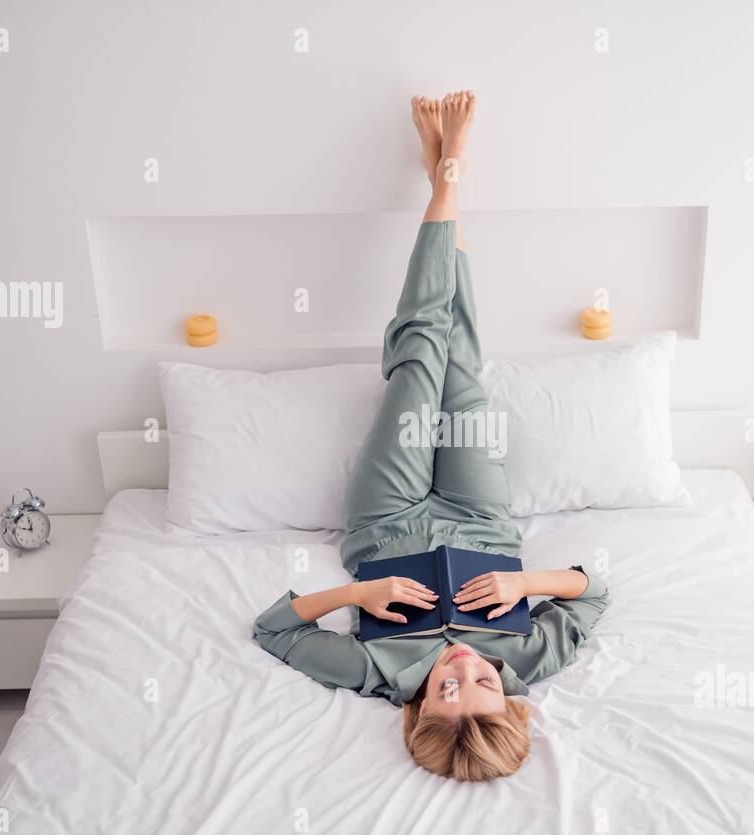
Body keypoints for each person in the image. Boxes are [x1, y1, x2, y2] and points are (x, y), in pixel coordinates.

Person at [252, 91, 609, 781]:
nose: (463, 668)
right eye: (481, 685)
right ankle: (444, 178)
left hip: (387, 519)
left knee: (422, 359)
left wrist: (358, 597)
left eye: (446, 690)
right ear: (507, 699)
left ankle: (447, 178)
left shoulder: (374, 674)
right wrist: (524, 580)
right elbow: (592, 593)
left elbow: (274, 629)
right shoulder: (528, 663)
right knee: (462, 362)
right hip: (481, 519)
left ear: (418, 712)